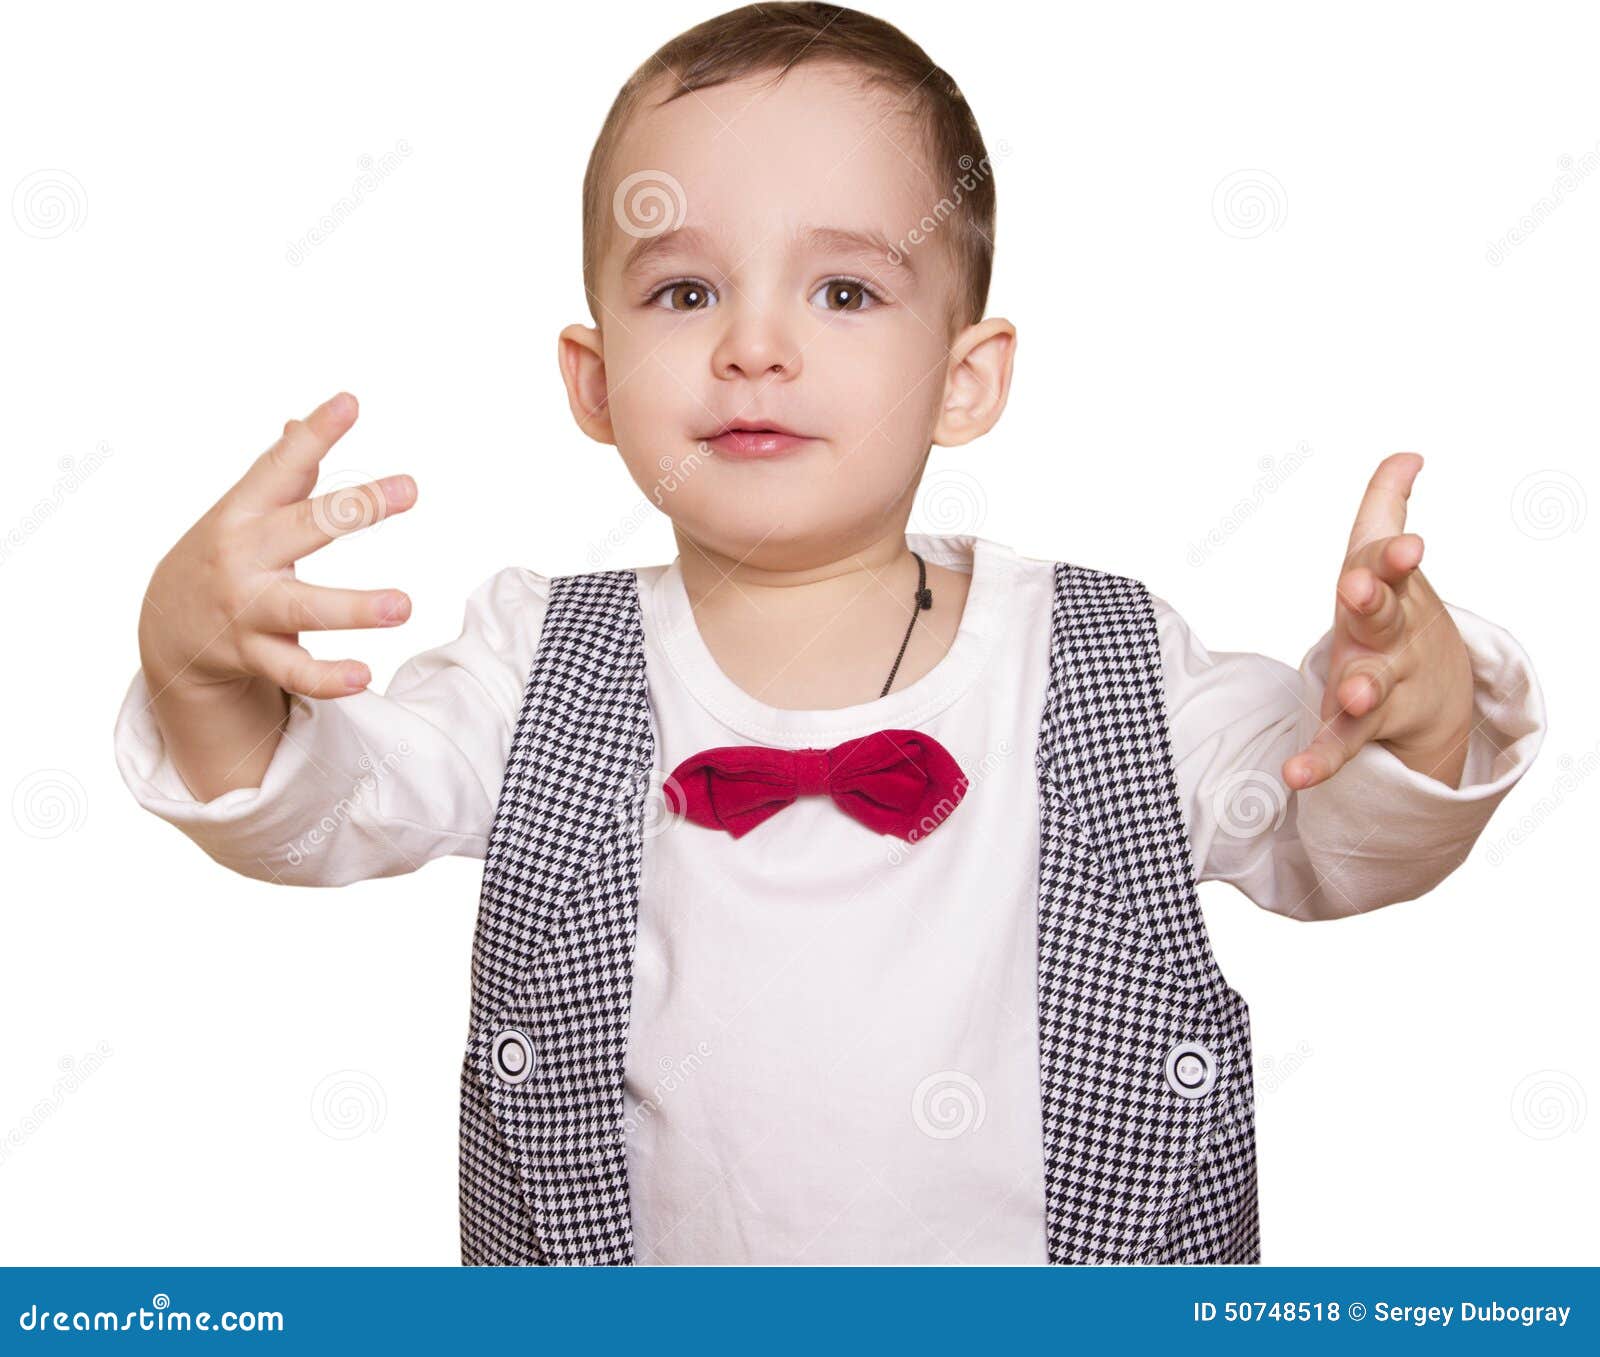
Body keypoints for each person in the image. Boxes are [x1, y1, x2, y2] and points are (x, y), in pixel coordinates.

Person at [114, 3, 1544, 1265]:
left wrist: (1404, 719)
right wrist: (202, 675)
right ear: (595, 377)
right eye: (686, 290)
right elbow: (317, 813)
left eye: (845, 290)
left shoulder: (1105, 656)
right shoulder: (527, 663)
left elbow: (1330, 841)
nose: (756, 344)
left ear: (965, 379)